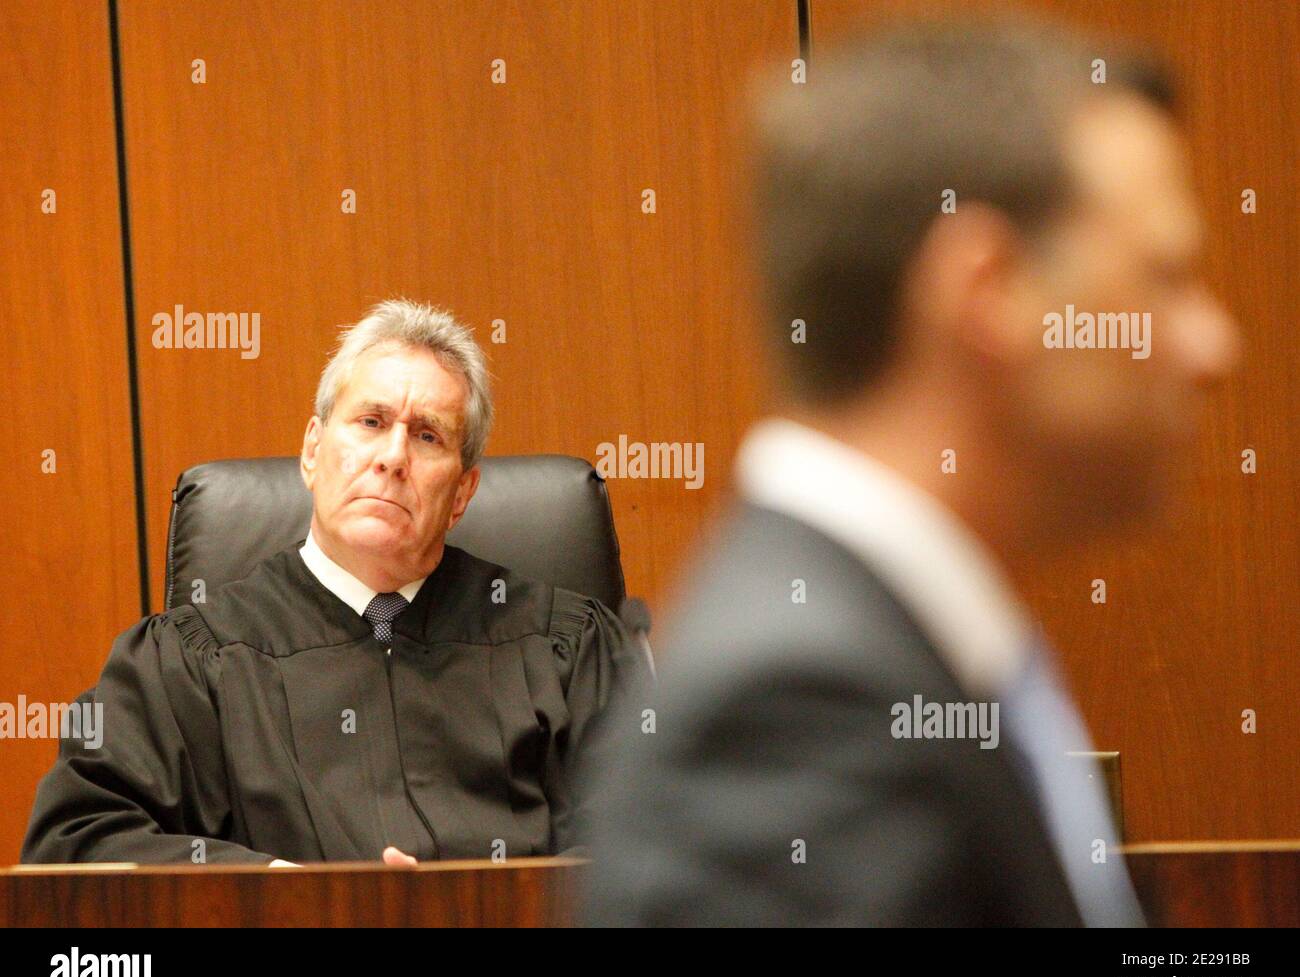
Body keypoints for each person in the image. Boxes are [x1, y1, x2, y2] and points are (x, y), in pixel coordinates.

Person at [585, 17, 1238, 925]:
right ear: (989, 292)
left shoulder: (908, 646)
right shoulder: (789, 717)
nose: (1215, 346)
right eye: (1164, 276)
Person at [23, 299, 635, 866]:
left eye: (427, 436)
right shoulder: (189, 662)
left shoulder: (564, 648)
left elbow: (653, 844)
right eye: (370, 421)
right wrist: (289, 897)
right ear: (312, 451)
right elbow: (77, 842)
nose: (393, 457)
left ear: (462, 493)